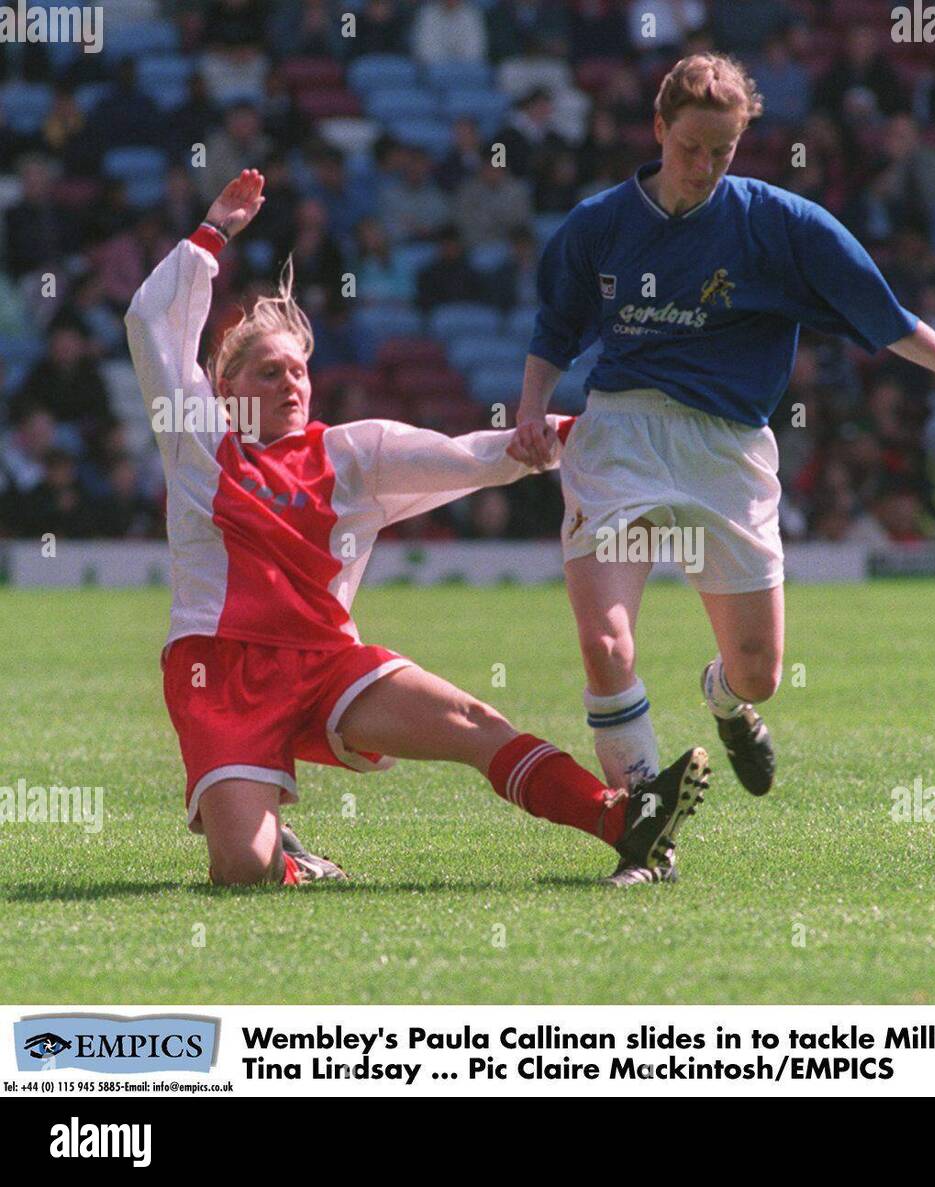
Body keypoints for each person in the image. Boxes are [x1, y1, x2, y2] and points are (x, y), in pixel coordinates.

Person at [509, 54, 935, 880]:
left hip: (728, 451)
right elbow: (555, 329)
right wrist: (531, 405)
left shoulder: (782, 225)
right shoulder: (599, 224)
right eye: (692, 146)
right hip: (622, 435)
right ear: (658, 130)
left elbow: (882, 314)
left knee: (760, 673)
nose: (707, 165)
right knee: (605, 639)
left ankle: (724, 699)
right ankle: (645, 827)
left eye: (724, 150)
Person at [125, 170, 708, 889]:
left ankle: (624, 819)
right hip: (221, 673)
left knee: (471, 720)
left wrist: (556, 435)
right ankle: (281, 850)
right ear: (228, 389)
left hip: (323, 663)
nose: (291, 384)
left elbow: (467, 456)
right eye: (270, 372)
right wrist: (212, 233)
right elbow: (151, 324)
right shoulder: (197, 443)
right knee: (241, 872)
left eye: (300, 371)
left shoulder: (349, 452)